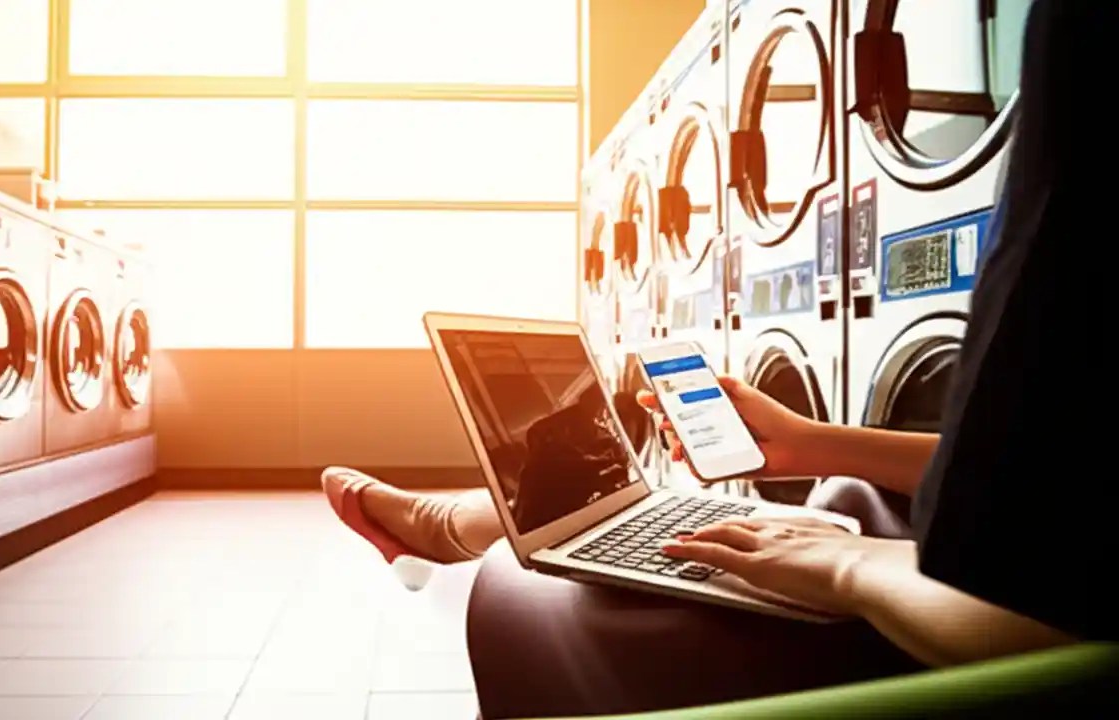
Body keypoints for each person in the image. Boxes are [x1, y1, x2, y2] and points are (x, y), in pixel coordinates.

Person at [322, 1, 1111, 716]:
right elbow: (1044, 487)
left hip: (991, 640)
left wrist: (850, 569)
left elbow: (1034, 602)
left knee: (516, 584)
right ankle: (467, 519)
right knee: (807, 493)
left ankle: (461, 528)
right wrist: (808, 441)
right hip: (962, 586)